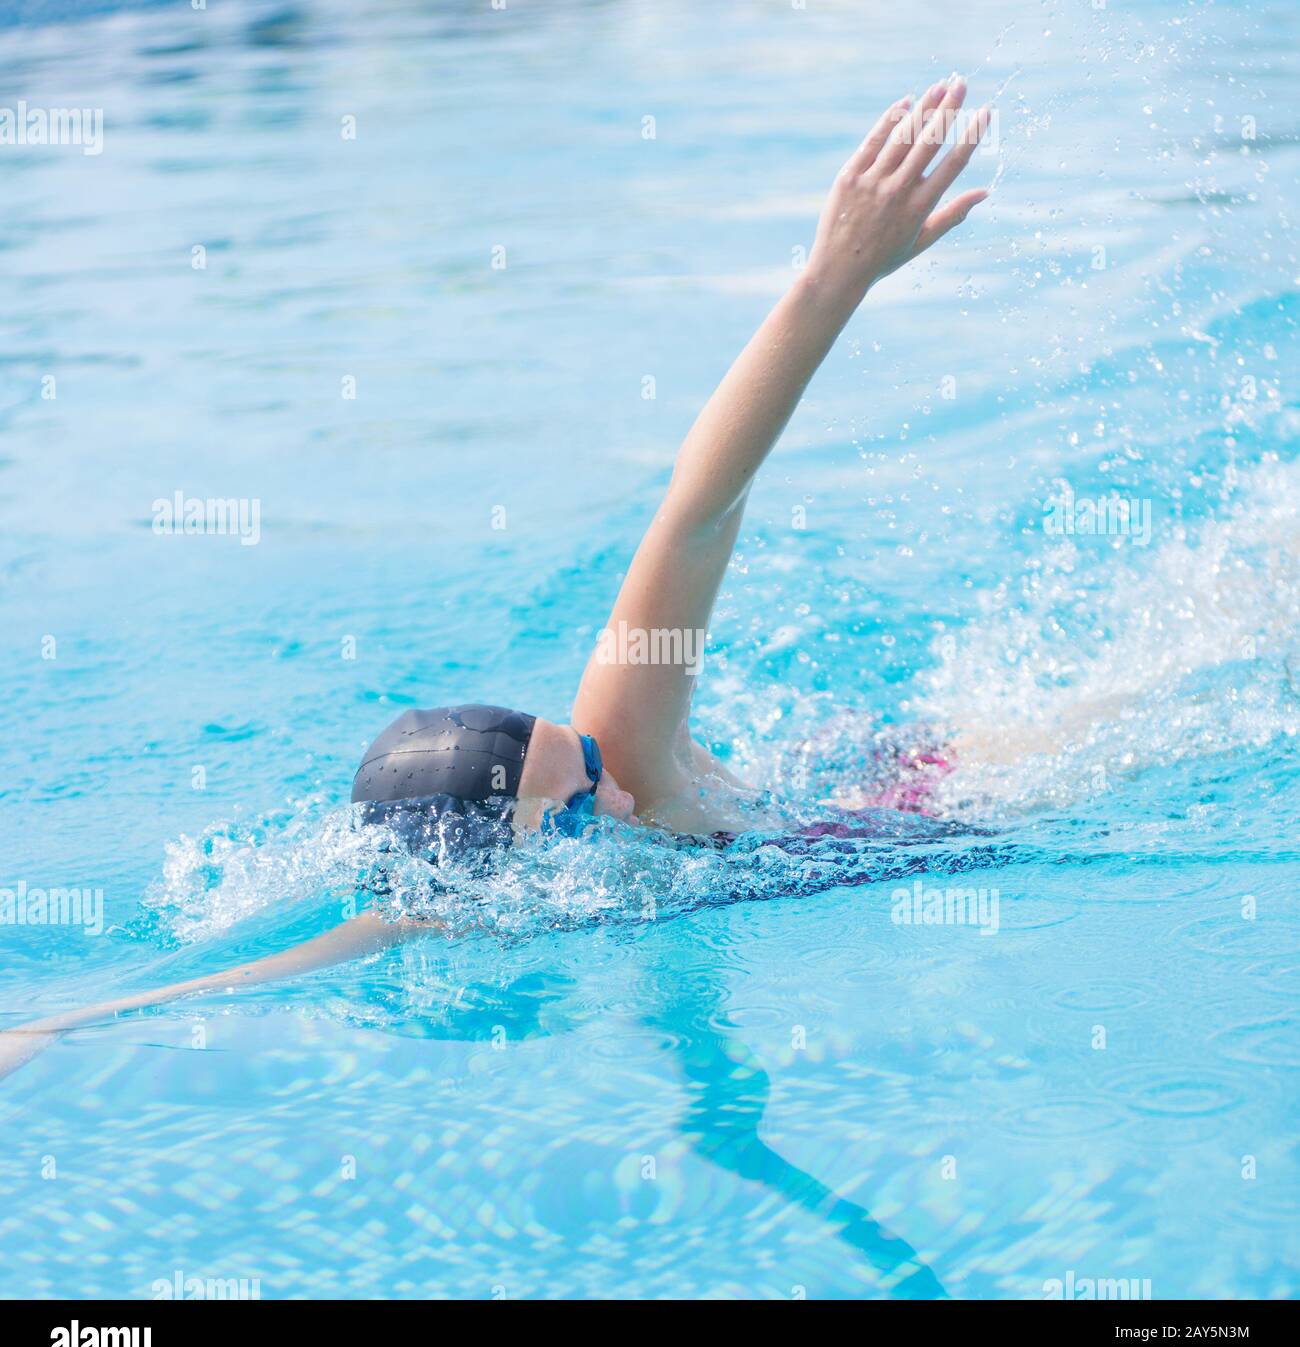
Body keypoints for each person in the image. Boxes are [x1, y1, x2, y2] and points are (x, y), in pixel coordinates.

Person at [0, 78, 992, 1080]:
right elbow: (290, 962)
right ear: (494, 871)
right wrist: (57, 1025)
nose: (613, 801)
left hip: (933, 792)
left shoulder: (635, 767)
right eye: (570, 810)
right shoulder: (463, 908)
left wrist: (831, 281)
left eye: (588, 766)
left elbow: (699, 508)